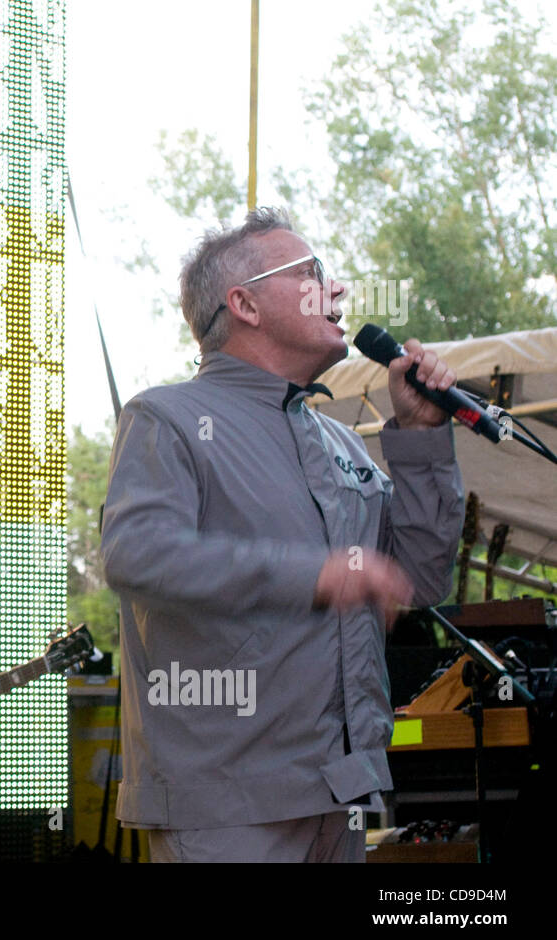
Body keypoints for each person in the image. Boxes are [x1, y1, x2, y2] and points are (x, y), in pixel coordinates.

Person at [100, 207, 465, 863]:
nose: (339, 291)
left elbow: (424, 578)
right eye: (310, 274)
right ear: (244, 303)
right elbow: (137, 553)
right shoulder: (168, 417)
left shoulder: (341, 441)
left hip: (342, 794)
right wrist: (318, 574)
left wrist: (420, 438)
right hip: (228, 807)